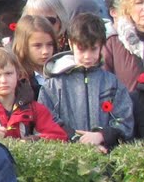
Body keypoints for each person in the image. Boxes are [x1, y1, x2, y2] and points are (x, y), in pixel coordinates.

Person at [39, 11, 134, 151]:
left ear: (102, 45)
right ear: (71, 44)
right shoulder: (53, 85)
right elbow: (46, 120)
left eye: (93, 49)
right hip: (65, 159)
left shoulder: (113, 84)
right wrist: (77, 139)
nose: (87, 56)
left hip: (106, 158)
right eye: (82, 49)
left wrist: (102, 136)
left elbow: (125, 121)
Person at [0, 46, 67, 140]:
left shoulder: (34, 108)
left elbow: (59, 136)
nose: (3, 80)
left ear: (18, 74)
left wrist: (31, 141)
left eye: (8, 73)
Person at [11, 14, 56, 102]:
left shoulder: (61, 70)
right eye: (38, 46)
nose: (45, 51)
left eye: (49, 44)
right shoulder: (18, 79)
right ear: (23, 45)